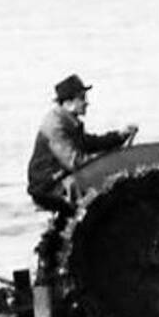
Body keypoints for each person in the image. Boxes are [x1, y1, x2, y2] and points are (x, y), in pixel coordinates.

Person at [27, 74, 136, 213]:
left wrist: (119, 136)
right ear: (68, 103)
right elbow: (75, 162)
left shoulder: (67, 120)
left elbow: (89, 143)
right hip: (48, 187)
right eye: (82, 98)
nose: (86, 103)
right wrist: (111, 162)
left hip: (57, 179)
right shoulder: (55, 126)